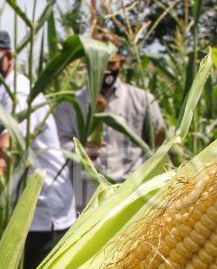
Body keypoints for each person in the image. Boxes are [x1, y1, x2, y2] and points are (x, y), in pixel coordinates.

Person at [0, 30, 77, 269]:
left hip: (44, 212)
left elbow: (6, 148)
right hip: (22, 211)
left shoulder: (20, 94)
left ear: (9, 57)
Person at [62, 38, 167, 210]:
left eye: (110, 63)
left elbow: (160, 148)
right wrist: (80, 153)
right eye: (98, 63)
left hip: (130, 199)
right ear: (87, 63)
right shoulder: (69, 104)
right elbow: (58, 146)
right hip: (85, 203)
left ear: (121, 62)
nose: (104, 69)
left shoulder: (144, 100)